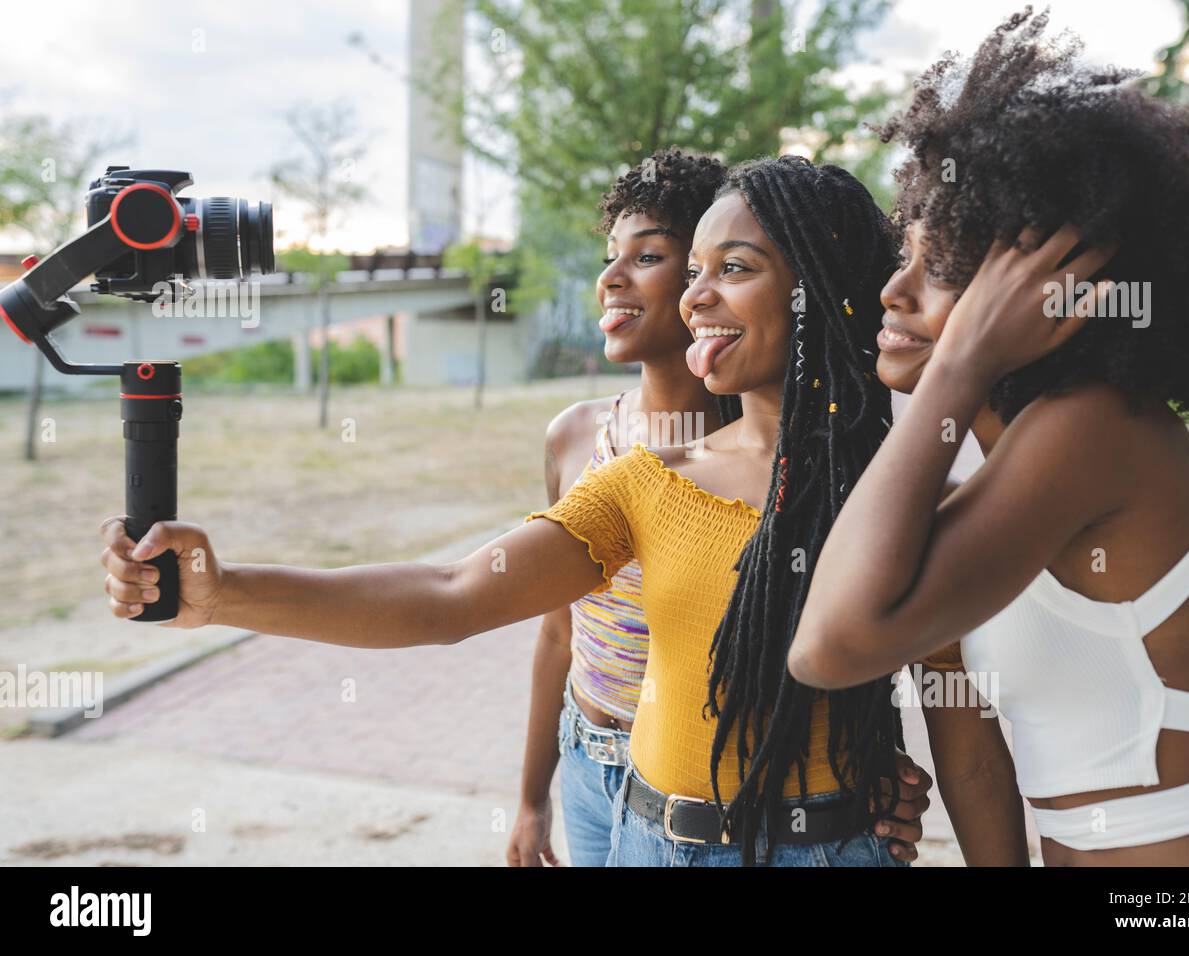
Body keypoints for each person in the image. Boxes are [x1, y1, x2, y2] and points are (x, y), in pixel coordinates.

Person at [99, 155, 944, 867]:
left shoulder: (901, 485)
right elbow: (450, 593)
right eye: (693, 273)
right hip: (650, 838)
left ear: (821, 287)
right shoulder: (649, 482)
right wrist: (221, 594)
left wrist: (883, 759)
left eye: (734, 269)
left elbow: (963, 721)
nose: (694, 298)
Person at [789, 8, 1189, 866]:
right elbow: (972, 754)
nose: (895, 292)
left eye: (944, 268)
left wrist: (958, 367)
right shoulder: (987, 473)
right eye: (901, 256)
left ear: (1047, 291)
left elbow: (829, 646)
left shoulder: (1095, 431)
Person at [509, 149, 735, 867]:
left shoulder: (750, 456)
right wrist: (531, 797)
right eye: (612, 257)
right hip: (582, 757)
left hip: (680, 789)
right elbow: (557, 632)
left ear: (704, 274)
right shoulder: (575, 437)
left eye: (647, 257)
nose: (611, 279)